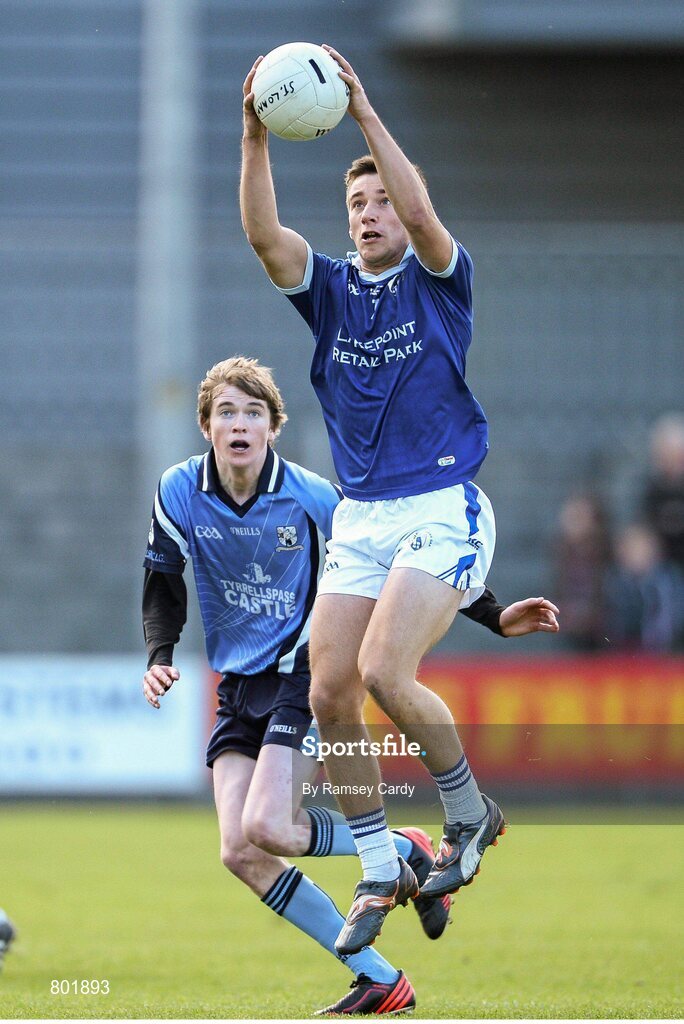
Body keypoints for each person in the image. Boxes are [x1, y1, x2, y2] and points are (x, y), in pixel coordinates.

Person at [241, 45, 558, 958]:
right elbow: (265, 238)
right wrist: (254, 133)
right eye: (357, 204)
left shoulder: (439, 279)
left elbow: (423, 212)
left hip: (442, 505)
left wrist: (366, 111)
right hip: (364, 516)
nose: (371, 212)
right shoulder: (334, 293)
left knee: (384, 671)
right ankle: (380, 861)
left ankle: (468, 813)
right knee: (331, 688)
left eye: (380, 199)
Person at [142, 357, 559, 1015]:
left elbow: (395, 554)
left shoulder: (311, 495)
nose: (239, 423)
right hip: (237, 686)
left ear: (274, 427)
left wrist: (490, 612)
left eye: (253, 412)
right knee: (239, 851)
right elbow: (163, 574)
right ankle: (380, 974)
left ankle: (399, 852)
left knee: (270, 825)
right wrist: (159, 653)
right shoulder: (177, 490)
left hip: (303, 676)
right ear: (206, 426)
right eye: (226, 412)